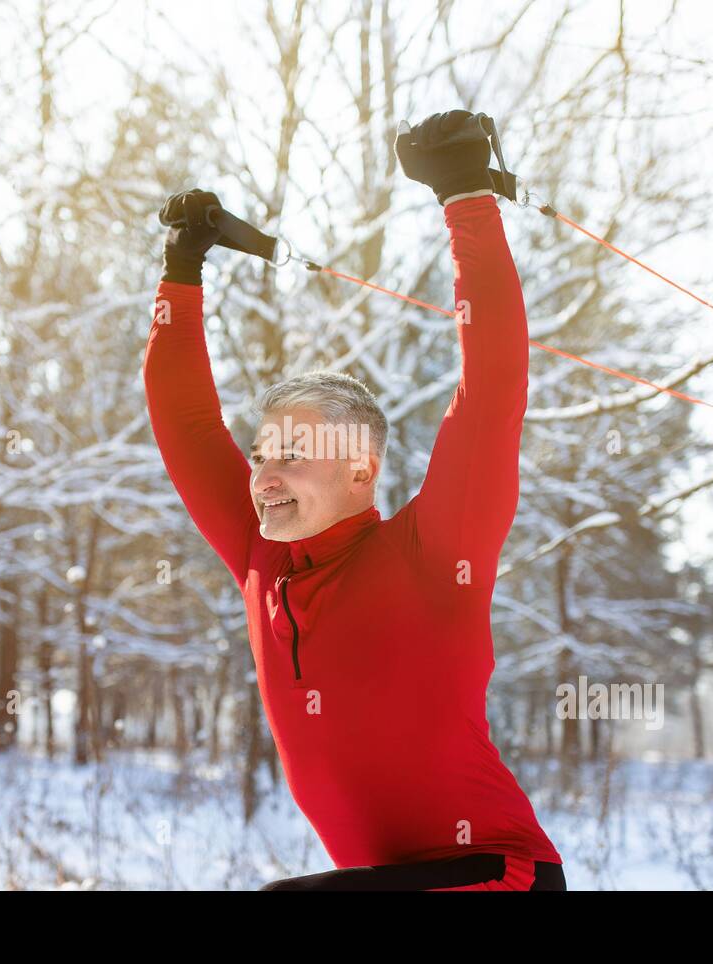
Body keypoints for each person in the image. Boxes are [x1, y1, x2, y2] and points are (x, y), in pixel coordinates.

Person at [144, 109, 565, 891]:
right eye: (263, 454)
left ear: (362, 471)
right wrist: (181, 268)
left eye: (294, 457)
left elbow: (493, 387)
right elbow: (184, 419)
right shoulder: (261, 559)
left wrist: (466, 194)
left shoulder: (436, 552)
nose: (264, 474)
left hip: (495, 876)